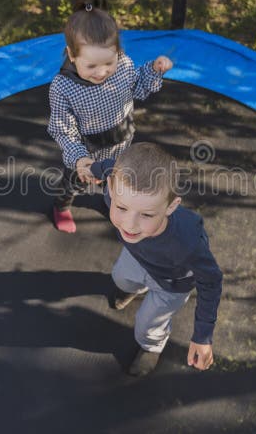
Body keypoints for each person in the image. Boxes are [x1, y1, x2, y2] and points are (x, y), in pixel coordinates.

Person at [89, 142, 223, 376]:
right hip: (137, 258)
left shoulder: (187, 242)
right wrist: (91, 169)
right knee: (121, 279)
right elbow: (108, 168)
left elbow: (211, 281)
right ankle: (132, 289)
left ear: (171, 207)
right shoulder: (114, 185)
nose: (129, 225)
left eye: (147, 214)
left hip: (171, 283)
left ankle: (151, 346)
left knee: (148, 323)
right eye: (122, 208)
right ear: (111, 187)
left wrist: (202, 336)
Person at [47, 0, 173, 233]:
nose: (102, 71)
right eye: (92, 66)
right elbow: (62, 129)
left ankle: (113, 202)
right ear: (72, 56)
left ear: (118, 51)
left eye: (109, 61)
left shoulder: (123, 65)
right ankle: (62, 206)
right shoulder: (63, 87)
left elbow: (138, 87)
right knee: (73, 183)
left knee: (115, 181)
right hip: (87, 151)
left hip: (121, 143)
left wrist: (154, 70)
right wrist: (80, 160)